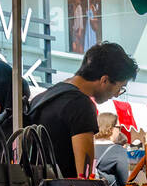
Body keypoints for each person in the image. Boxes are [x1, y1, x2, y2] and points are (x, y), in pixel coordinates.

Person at [29, 42, 138, 178]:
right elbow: (85, 176)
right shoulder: (81, 105)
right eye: (120, 87)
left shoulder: (41, 98)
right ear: (104, 80)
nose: (116, 94)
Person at [93, 112, 131, 186]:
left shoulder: (87, 148)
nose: (119, 131)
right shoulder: (117, 151)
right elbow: (126, 182)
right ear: (110, 128)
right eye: (119, 128)